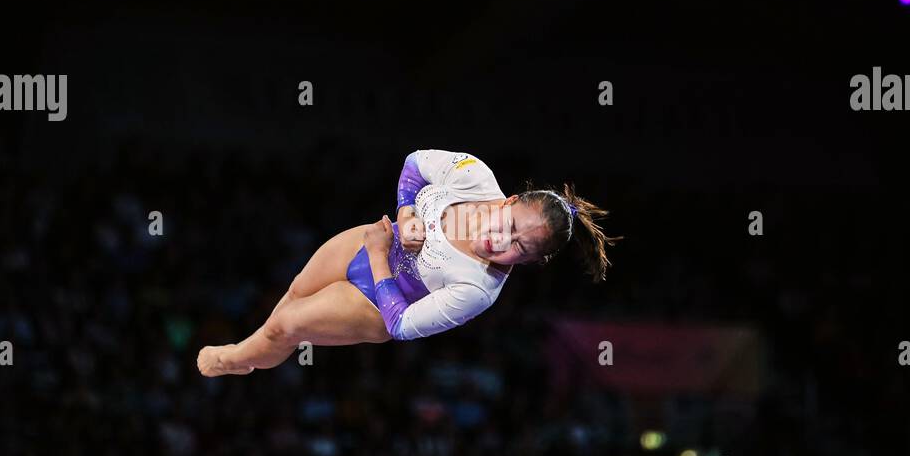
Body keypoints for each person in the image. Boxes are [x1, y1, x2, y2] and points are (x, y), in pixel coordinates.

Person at [197, 149, 617, 375]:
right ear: (507, 201)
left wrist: (380, 255)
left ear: (533, 261)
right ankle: (255, 351)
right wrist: (405, 212)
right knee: (291, 295)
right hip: (371, 239)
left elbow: (400, 326)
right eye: (508, 224)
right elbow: (414, 164)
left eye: (519, 248)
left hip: (381, 302)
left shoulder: (477, 289)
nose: (499, 240)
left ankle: (238, 359)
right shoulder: (474, 177)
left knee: (284, 327)